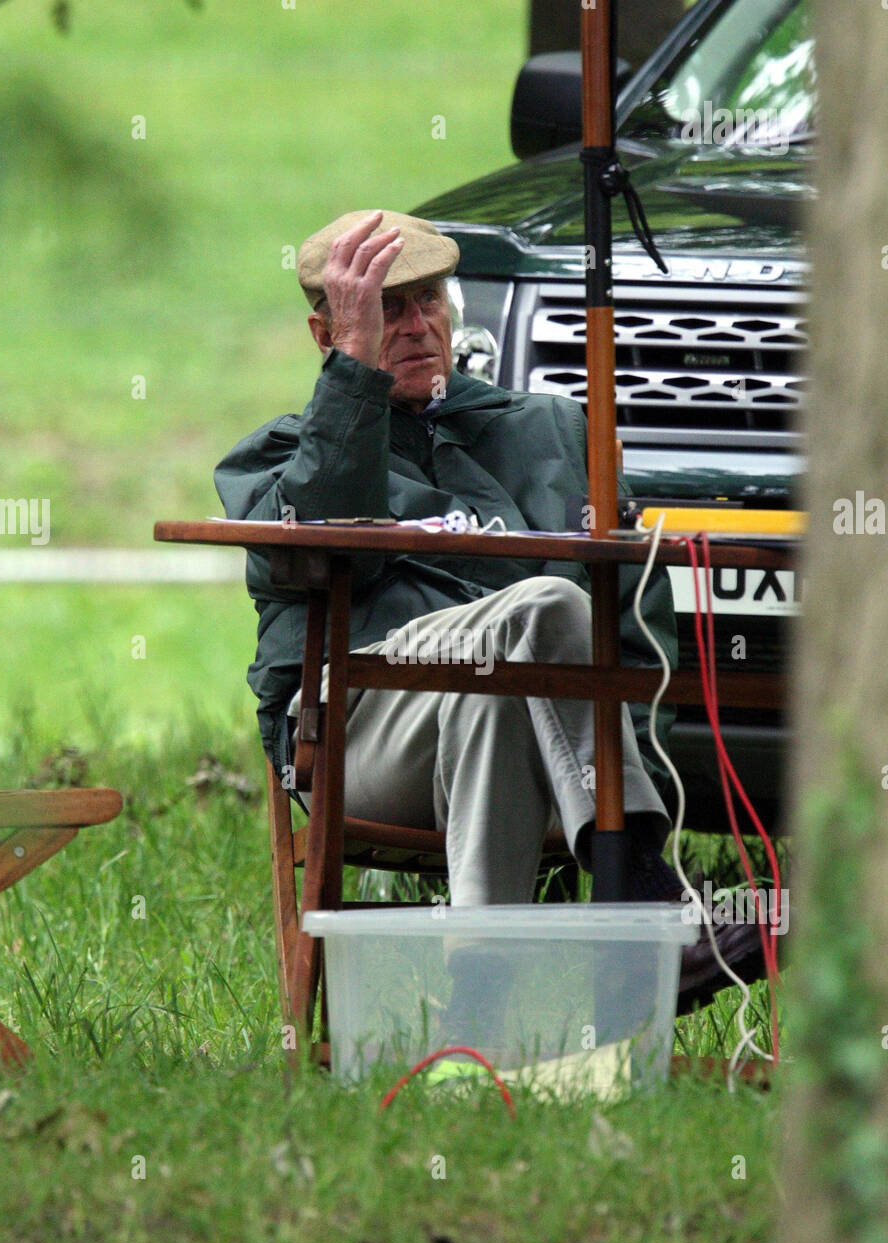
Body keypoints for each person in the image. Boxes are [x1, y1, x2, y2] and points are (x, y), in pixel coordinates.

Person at [214, 209, 764, 1019]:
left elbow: (637, 629)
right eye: (380, 309)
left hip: (528, 736)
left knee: (499, 683)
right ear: (324, 333)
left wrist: (624, 757)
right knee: (538, 608)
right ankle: (641, 895)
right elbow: (329, 540)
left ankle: (478, 1012)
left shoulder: (550, 431)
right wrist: (355, 384)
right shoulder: (278, 458)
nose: (411, 325)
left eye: (425, 299)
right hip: (359, 732)